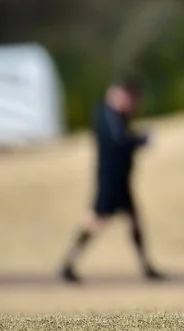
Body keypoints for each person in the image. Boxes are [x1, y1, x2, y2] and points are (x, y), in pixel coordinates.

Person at [59, 76, 164, 283]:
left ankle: (146, 267)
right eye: (131, 100)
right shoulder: (108, 115)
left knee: (133, 221)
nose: (133, 105)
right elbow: (119, 142)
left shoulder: (116, 116)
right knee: (96, 221)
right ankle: (68, 264)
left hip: (120, 180)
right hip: (110, 180)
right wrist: (140, 140)